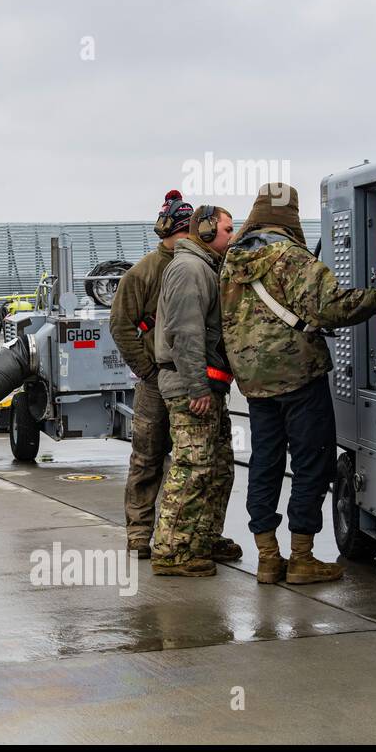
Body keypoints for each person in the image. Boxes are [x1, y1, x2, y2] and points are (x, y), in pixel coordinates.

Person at [220, 183, 376, 584]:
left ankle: (267, 558)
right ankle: (302, 558)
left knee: (264, 465)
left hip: (255, 384)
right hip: (299, 378)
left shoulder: (232, 260)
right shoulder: (291, 257)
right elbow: (331, 308)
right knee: (312, 464)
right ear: (290, 214)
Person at [152, 204, 240, 577]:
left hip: (206, 382)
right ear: (204, 232)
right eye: (227, 229)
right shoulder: (190, 269)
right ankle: (172, 550)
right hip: (192, 384)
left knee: (217, 467)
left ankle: (200, 538)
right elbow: (184, 333)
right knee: (192, 467)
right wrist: (197, 386)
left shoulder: (204, 267)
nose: (232, 236)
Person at [110, 191, 194, 559]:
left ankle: (178, 534)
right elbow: (121, 325)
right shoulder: (142, 273)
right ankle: (140, 535)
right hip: (157, 381)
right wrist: (146, 370)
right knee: (147, 457)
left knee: (191, 460)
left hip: (189, 377)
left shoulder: (198, 266)